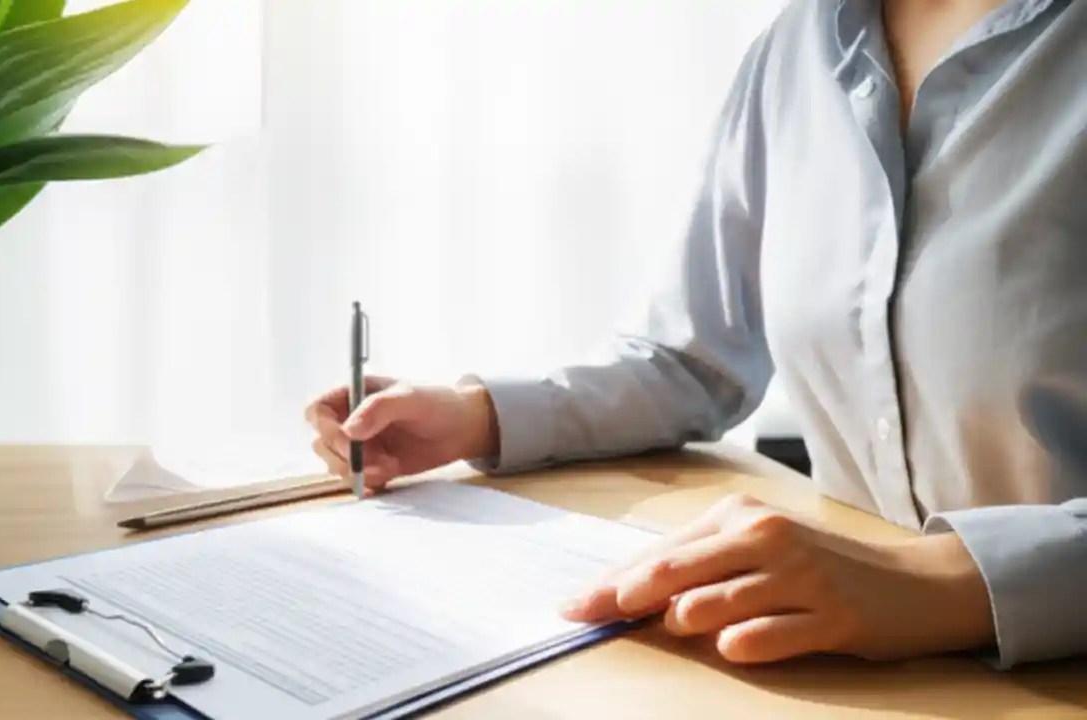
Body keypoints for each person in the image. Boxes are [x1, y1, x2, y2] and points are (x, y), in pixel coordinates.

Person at [306, 0, 1087, 669]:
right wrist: (476, 415)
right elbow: (690, 361)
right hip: (849, 669)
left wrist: (944, 582)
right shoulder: (798, 49)